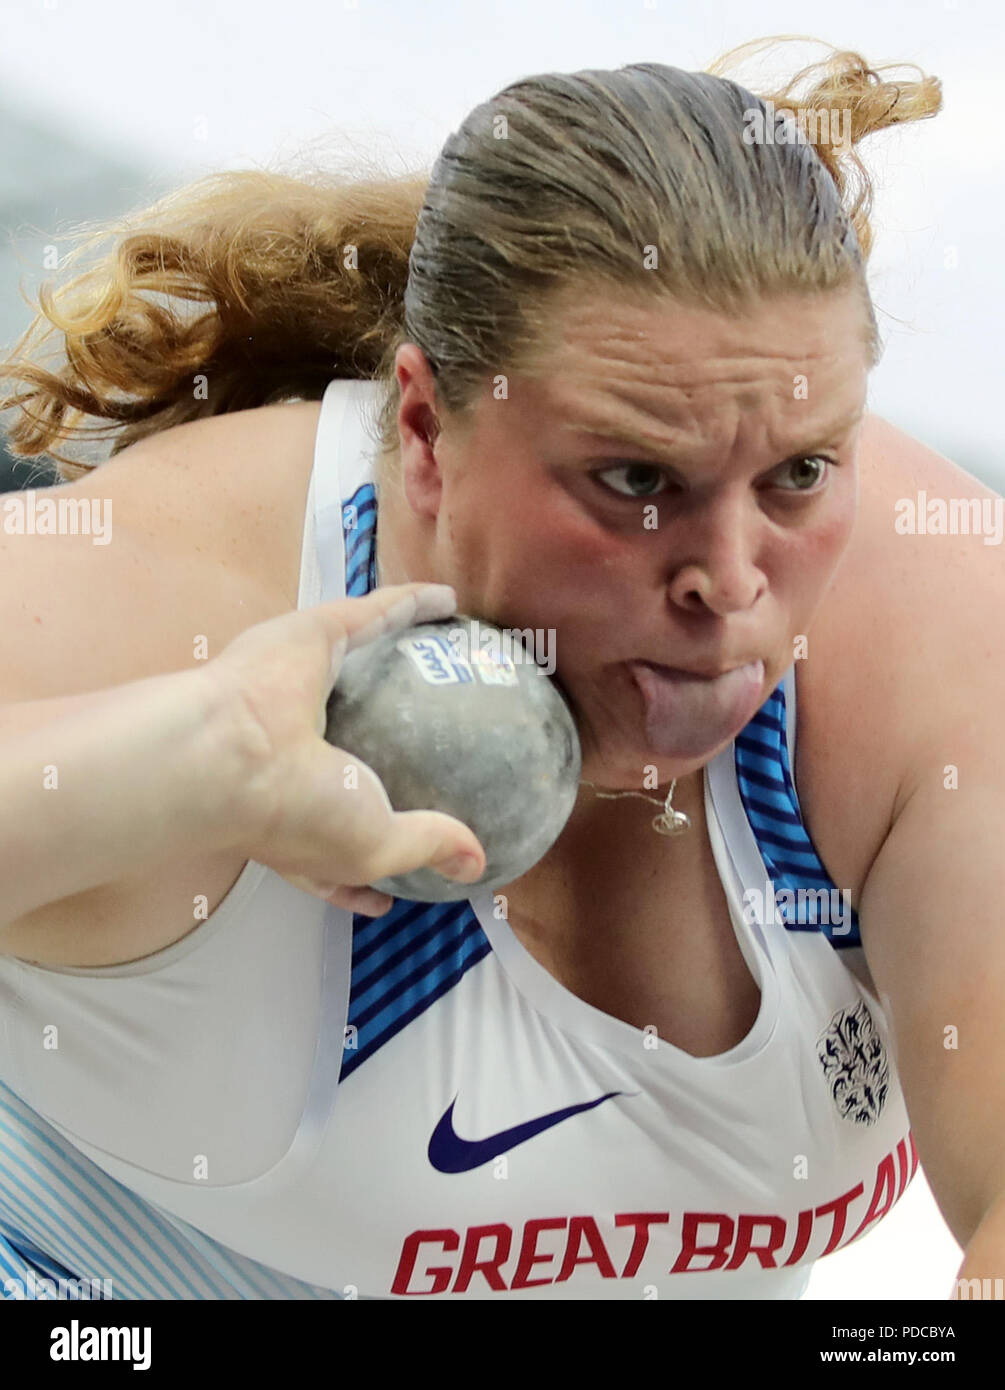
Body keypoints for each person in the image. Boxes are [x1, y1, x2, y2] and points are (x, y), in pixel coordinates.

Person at [0, 36, 1001, 1301]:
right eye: (637, 481)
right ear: (424, 429)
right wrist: (194, 765)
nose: (733, 579)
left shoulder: (939, 633)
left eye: (802, 475)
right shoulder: (165, 594)